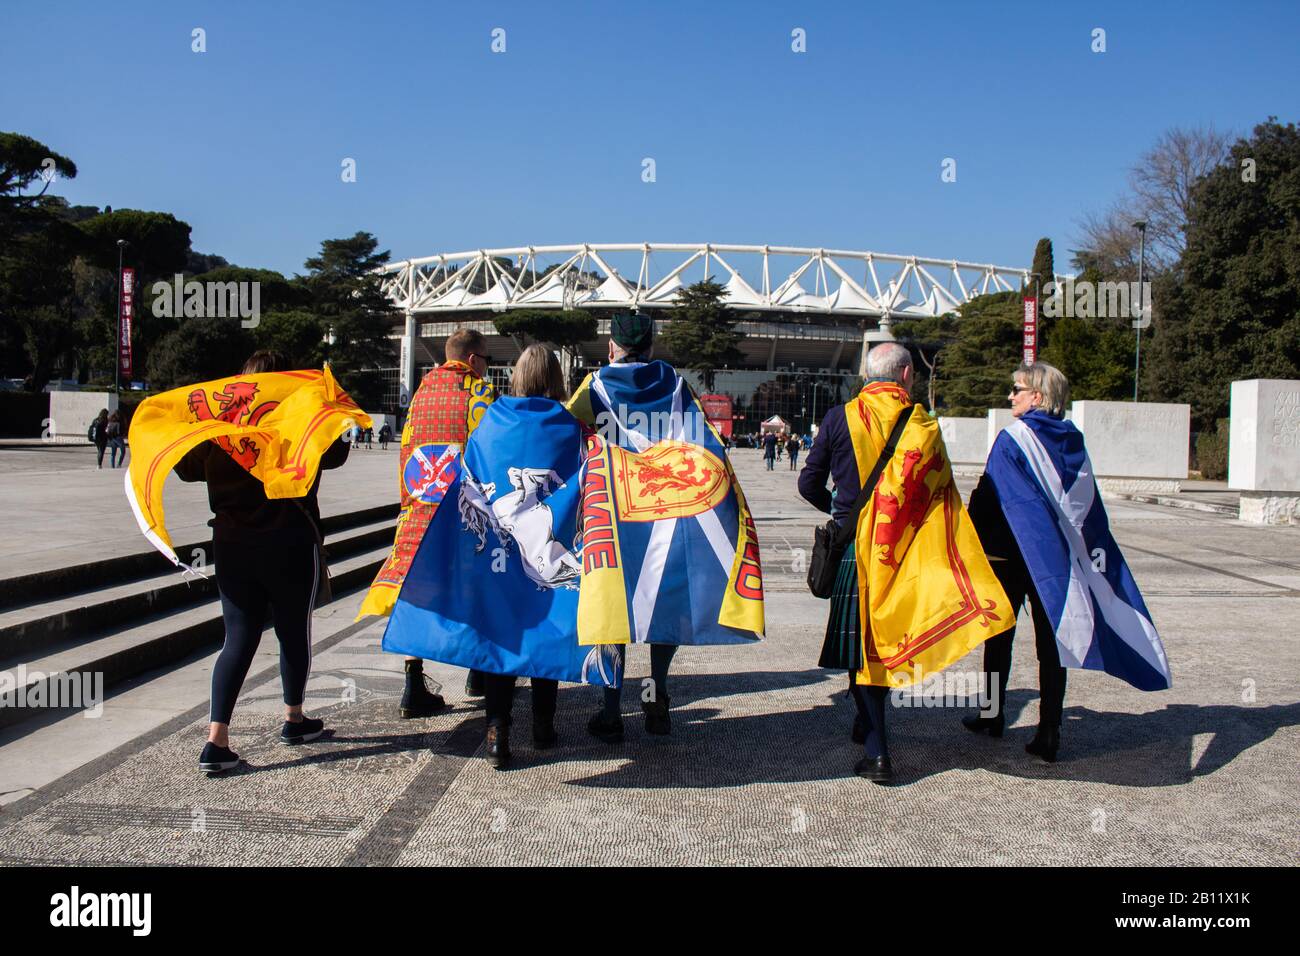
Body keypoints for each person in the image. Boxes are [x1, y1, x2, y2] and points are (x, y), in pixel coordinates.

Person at [798, 342, 1010, 783]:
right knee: (885, 642)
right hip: (904, 550)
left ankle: (877, 752)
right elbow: (938, 496)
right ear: (907, 375)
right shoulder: (923, 424)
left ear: (866, 376)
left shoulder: (839, 417)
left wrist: (839, 511)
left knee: (862, 649)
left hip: (855, 549)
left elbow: (808, 482)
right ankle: (866, 723)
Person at [963, 362, 1170, 762]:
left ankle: (992, 714)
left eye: (1017, 390)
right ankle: (1050, 729)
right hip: (1056, 560)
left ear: (1037, 396)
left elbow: (992, 497)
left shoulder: (1013, 439)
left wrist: (971, 537)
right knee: (1054, 643)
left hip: (1007, 555)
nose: (1011, 396)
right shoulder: (1073, 441)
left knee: (998, 637)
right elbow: (1083, 505)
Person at [174, 350, 348, 774]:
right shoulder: (297, 421)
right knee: (292, 631)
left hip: (232, 543)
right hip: (290, 540)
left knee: (237, 637)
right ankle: (293, 719)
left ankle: (217, 739)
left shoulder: (223, 425)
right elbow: (338, 451)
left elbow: (184, 466)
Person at [357, 328, 498, 712]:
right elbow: (491, 453)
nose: (487, 369)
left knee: (414, 593)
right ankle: (479, 672)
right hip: (463, 514)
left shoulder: (421, 391)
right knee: (477, 587)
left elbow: (406, 450)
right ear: (472, 360)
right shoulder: (478, 392)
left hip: (419, 508)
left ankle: (412, 682)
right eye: (486, 361)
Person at [476, 344, 572, 767]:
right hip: (547, 551)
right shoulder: (568, 424)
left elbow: (473, 475)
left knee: (503, 637)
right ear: (556, 378)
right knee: (545, 633)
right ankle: (543, 726)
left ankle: (498, 733)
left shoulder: (492, 421)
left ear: (515, 376)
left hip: (500, 549)